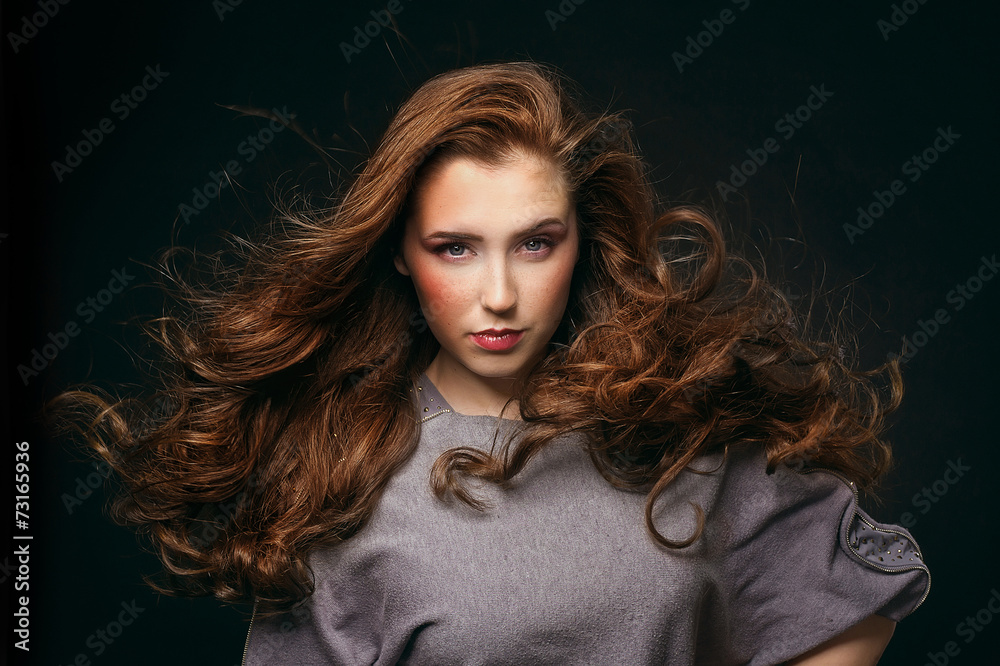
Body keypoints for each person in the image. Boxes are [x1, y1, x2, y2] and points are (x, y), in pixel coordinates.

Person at [54, 61, 929, 665]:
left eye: (536, 243)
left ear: (581, 242)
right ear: (400, 251)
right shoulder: (337, 473)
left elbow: (855, 587)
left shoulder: (679, 434)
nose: (502, 295)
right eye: (456, 248)